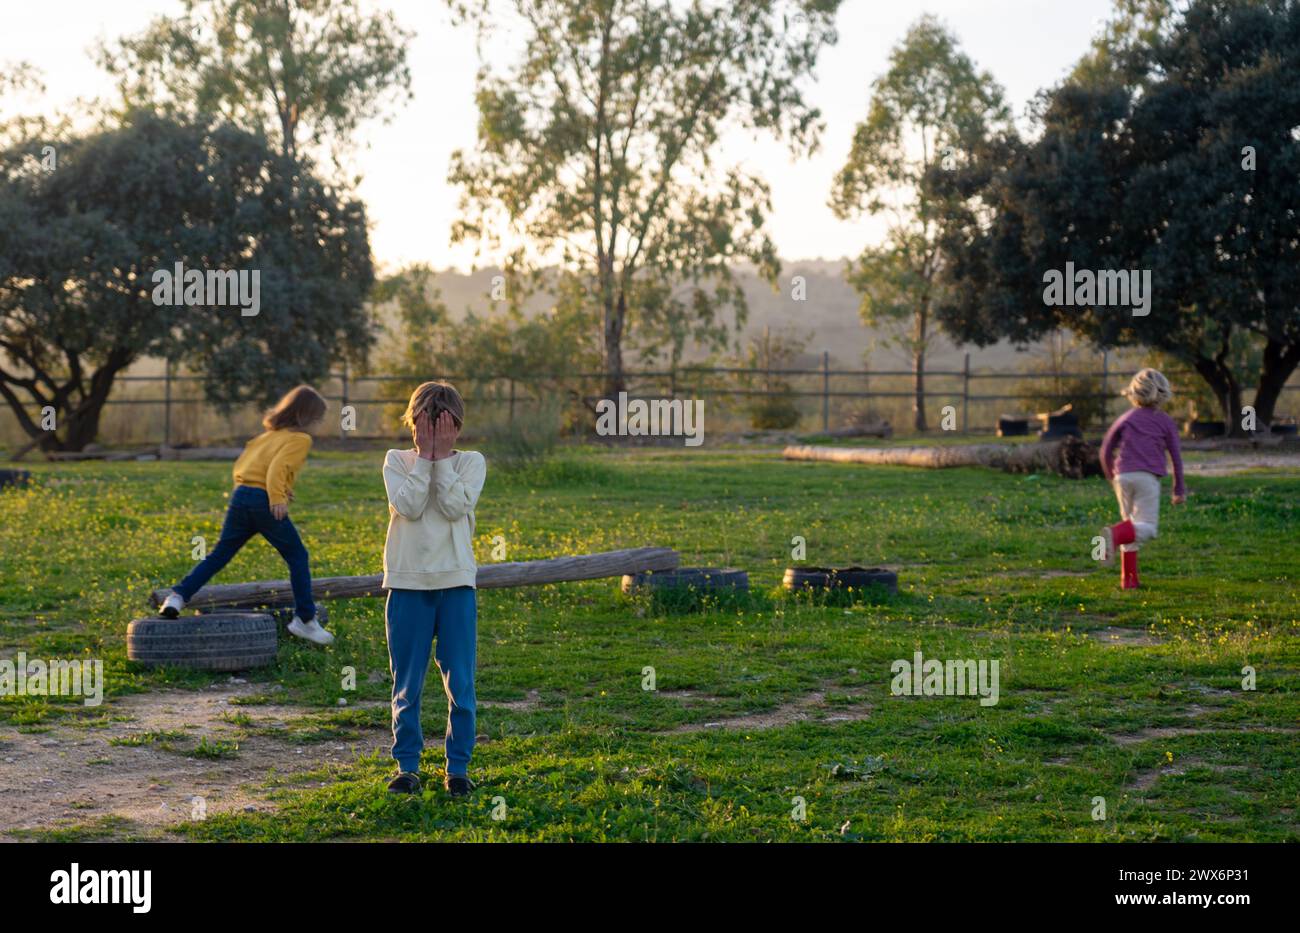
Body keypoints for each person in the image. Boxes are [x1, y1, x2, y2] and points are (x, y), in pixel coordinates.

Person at [158, 385, 334, 645]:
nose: (317, 424)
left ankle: (177, 597)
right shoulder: (300, 439)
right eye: (317, 418)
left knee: (219, 554)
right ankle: (305, 620)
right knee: (297, 556)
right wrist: (276, 496)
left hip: (241, 496)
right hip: (264, 501)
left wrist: (282, 489)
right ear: (306, 415)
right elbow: (277, 467)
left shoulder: (265, 437)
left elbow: (244, 466)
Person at [381, 381, 487, 797]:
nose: (433, 431)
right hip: (407, 583)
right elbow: (406, 506)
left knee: (460, 682)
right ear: (412, 423)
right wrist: (425, 458)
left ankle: (457, 768)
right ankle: (408, 767)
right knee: (406, 683)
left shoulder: (471, 462)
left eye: (443, 425)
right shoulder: (396, 460)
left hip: (456, 583)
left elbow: (454, 507)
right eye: (425, 423)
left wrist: (441, 460)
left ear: (457, 427)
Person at [1099, 368, 1187, 589]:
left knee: (1132, 527)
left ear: (1134, 393)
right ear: (1162, 393)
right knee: (1148, 527)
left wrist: (1112, 476)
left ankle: (1129, 581)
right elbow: (1176, 457)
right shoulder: (1165, 421)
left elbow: (1105, 450)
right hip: (1146, 478)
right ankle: (1113, 534)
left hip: (1122, 477)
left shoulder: (1125, 418)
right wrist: (1179, 489)